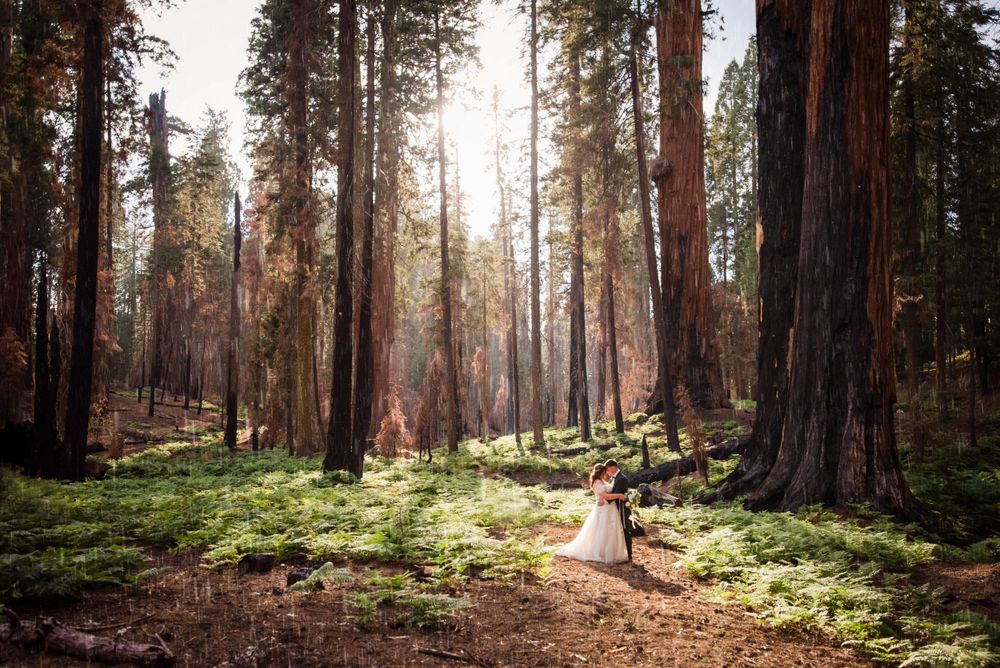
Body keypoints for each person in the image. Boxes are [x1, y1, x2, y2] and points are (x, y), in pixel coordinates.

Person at [555, 462, 629, 563]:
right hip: (604, 510)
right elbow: (605, 496)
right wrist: (620, 495)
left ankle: (608, 551)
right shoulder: (597, 482)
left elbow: (608, 493)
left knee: (609, 531)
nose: (607, 473)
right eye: (605, 471)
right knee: (602, 530)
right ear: (601, 472)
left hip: (610, 508)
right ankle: (599, 552)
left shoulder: (602, 481)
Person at [604, 459, 633, 561]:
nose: (607, 472)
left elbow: (617, 495)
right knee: (620, 530)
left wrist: (604, 500)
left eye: (607, 469)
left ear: (613, 467)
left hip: (622, 508)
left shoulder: (621, 478)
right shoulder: (614, 478)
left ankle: (629, 554)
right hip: (616, 508)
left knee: (625, 529)